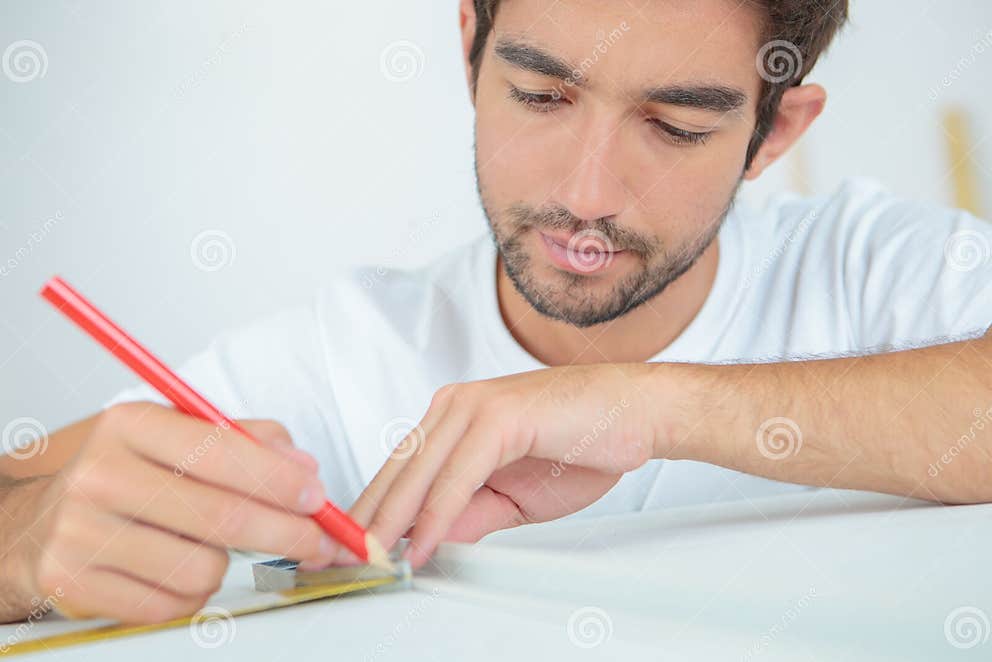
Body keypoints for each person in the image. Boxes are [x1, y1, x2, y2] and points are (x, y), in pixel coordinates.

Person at [3, 0, 991, 625]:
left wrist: (647, 410)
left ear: (774, 128)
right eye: (539, 96)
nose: (589, 192)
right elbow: (21, 499)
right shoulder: (337, 359)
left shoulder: (878, 272)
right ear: (469, 47)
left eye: (674, 125)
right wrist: (26, 547)